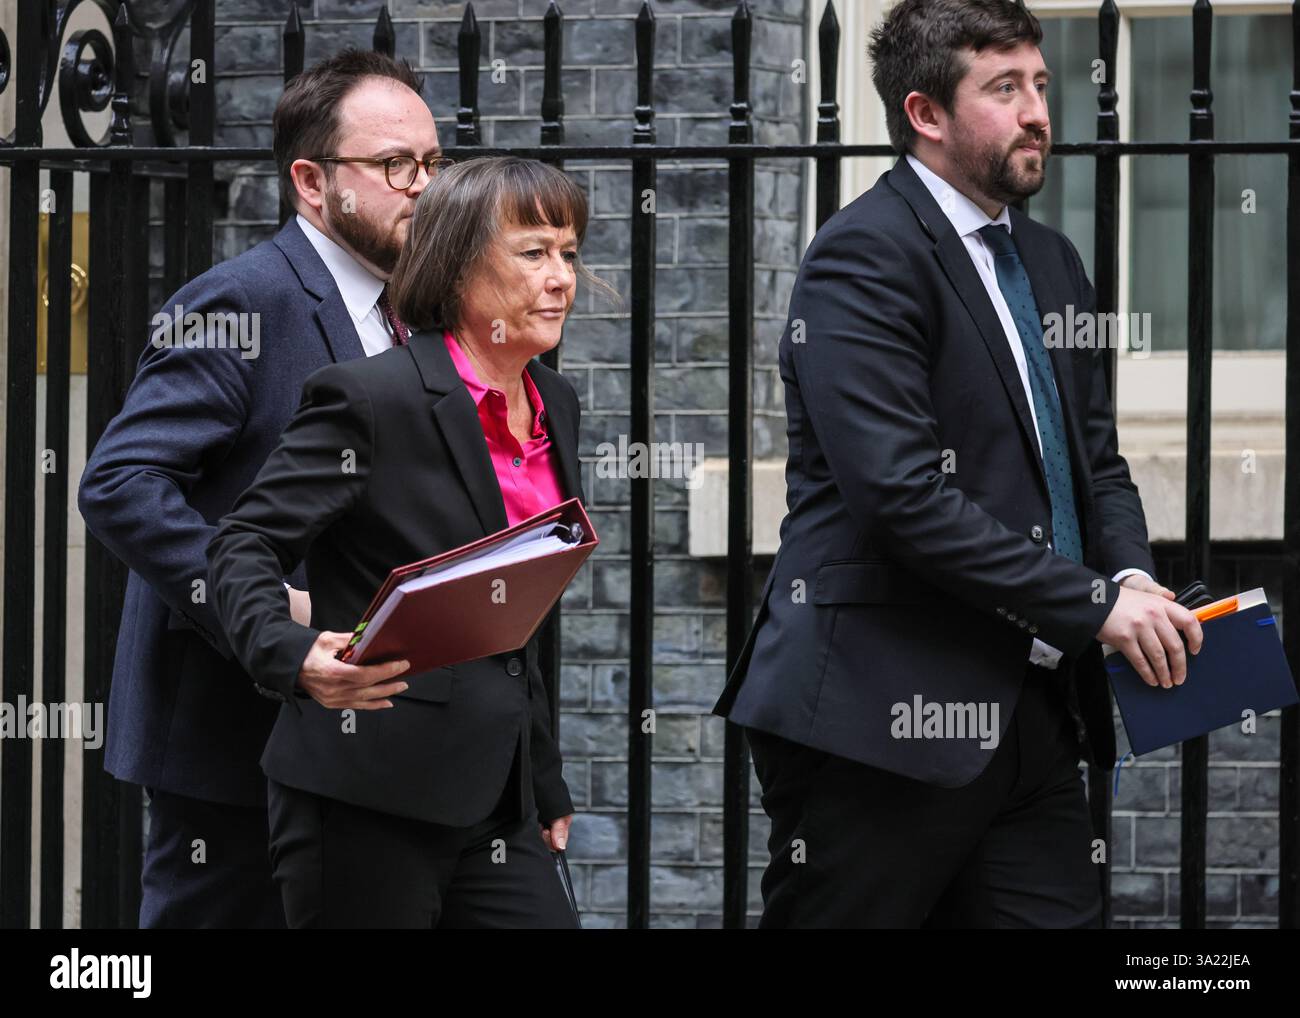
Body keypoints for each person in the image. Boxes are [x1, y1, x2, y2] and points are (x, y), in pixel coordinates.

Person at [713, 0, 1203, 929]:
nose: (1037, 114)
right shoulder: (862, 257)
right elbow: (902, 498)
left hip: (1033, 711)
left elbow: (1093, 462)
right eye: (1004, 88)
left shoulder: (1051, 264)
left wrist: (1131, 573)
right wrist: (1096, 604)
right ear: (925, 114)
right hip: (879, 719)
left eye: (1041, 85)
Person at [76, 48, 442, 928]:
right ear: (312, 182)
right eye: (395, 165)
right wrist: (265, 605)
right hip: (232, 739)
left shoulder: (421, 310)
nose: (424, 186)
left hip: (374, 745)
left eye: (434, 162)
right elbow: (122, 483)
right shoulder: (241, 301)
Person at [206, 156, 609, 928]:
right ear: (456, 266)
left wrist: (543, 777)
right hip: (365, 794)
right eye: (533, 252)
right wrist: (290, 657)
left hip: (496, 800)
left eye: (569, 253)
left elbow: (515, 609)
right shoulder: (370, 398)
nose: (560, 278)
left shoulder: (554, 399)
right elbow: (245, 542)